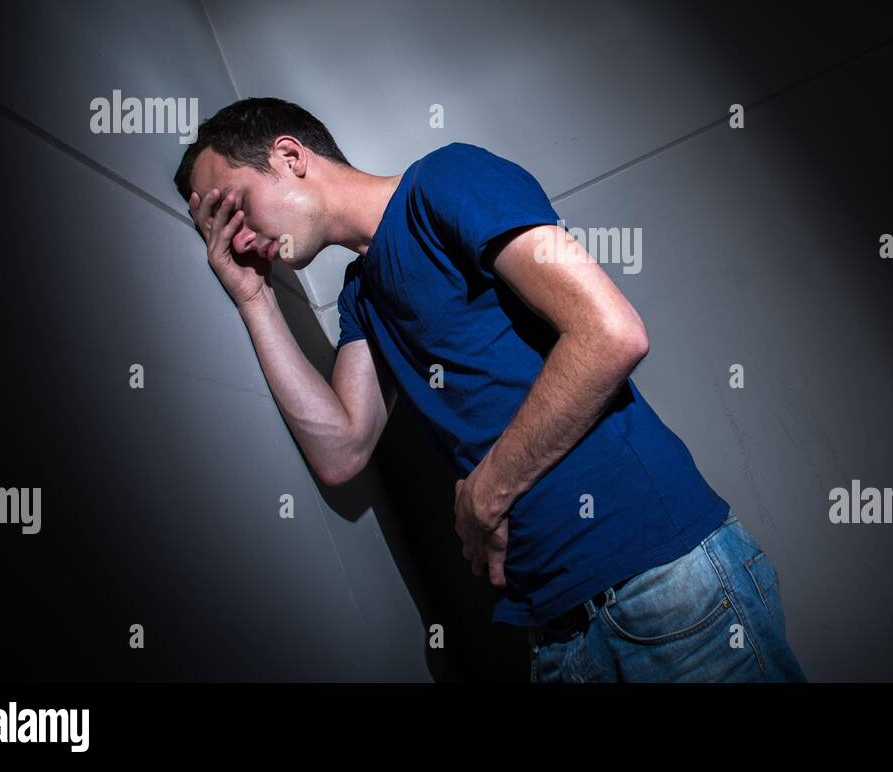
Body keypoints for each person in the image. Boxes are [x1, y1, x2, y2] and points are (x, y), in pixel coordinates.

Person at [174, 96, 807, 682]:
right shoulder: (360, 297)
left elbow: (610, 333)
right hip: (555, 635)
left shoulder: (446, 180)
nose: (239, 236)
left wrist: (485, 491)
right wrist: (253, 298)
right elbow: (341, 450)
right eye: (221, 228)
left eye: (236, 207)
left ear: (290, 156)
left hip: (663, 585)